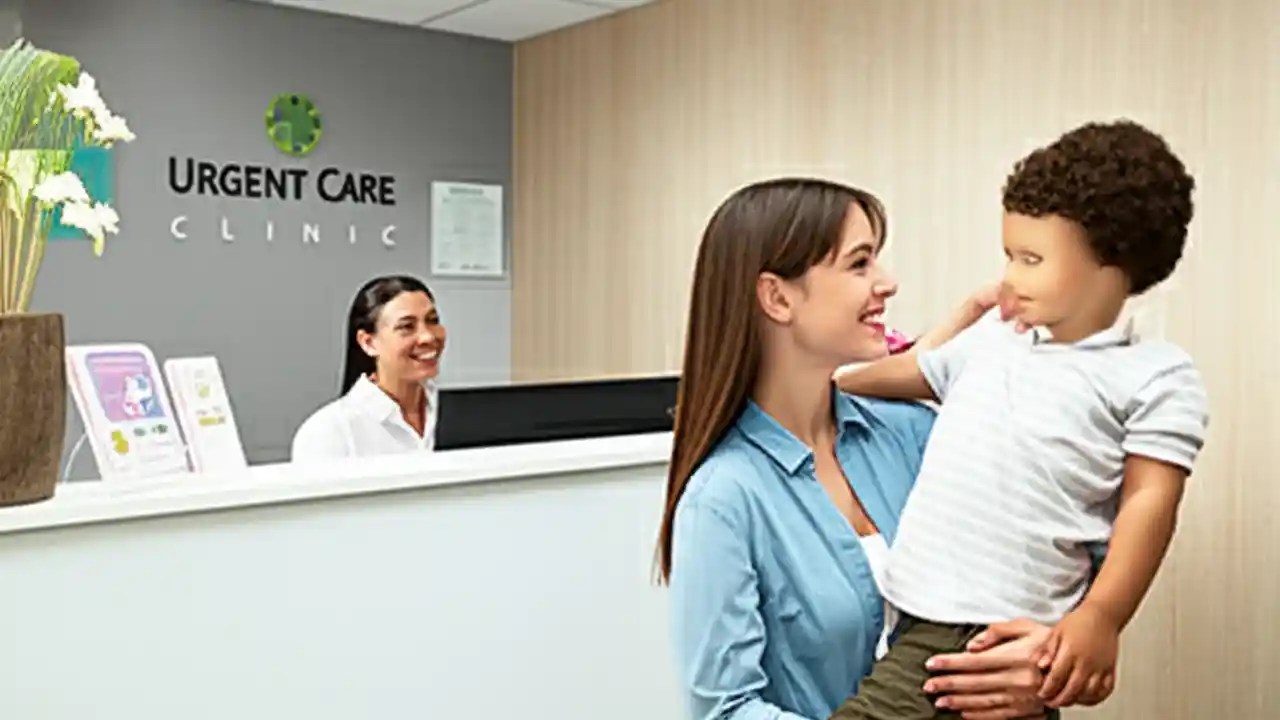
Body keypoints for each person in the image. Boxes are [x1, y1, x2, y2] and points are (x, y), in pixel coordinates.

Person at [658, 178, 1106, 720]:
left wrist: (1040, 667)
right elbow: (725, 711)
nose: (887, 283)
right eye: (859, 264)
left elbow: (1035, 558)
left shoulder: (914, 435)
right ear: (777, 297)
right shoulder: (723, 499)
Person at [830, 120, 1209, 718]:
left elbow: (1149, 503)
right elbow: (900, 374)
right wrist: (828, 380)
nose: (1010, 277)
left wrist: (1100, 619)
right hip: (917, 618)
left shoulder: (1153, 375)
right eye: (1009, 255)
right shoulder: (997, 338)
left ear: (1114, 266)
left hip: (977, 631)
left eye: (1031, 259)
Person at [291, 275, 446, 462]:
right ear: (368, 343)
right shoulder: (329, 432)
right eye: (407, 326)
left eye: (432, 320)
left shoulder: (462, 414)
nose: (428, 337)